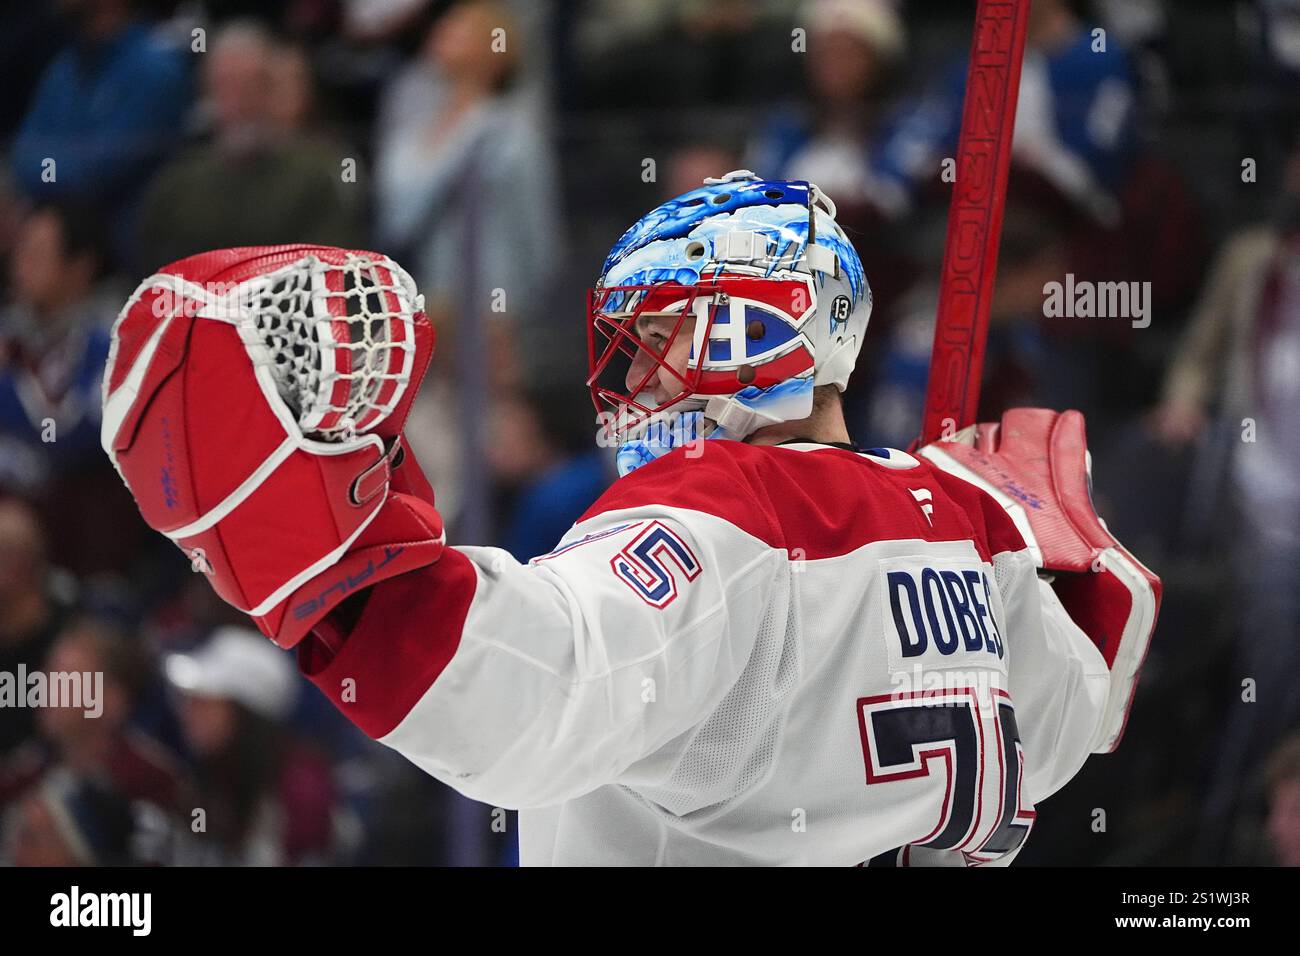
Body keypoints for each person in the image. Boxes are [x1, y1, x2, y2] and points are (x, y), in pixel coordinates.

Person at [102, 173, 1159, 866]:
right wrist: (1078, 555)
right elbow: (1079, 713)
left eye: (655, 335)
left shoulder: (729, 507)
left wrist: (332, 561)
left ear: (770, 319)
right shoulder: (974, 528)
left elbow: (532, 695)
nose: (623, 377)